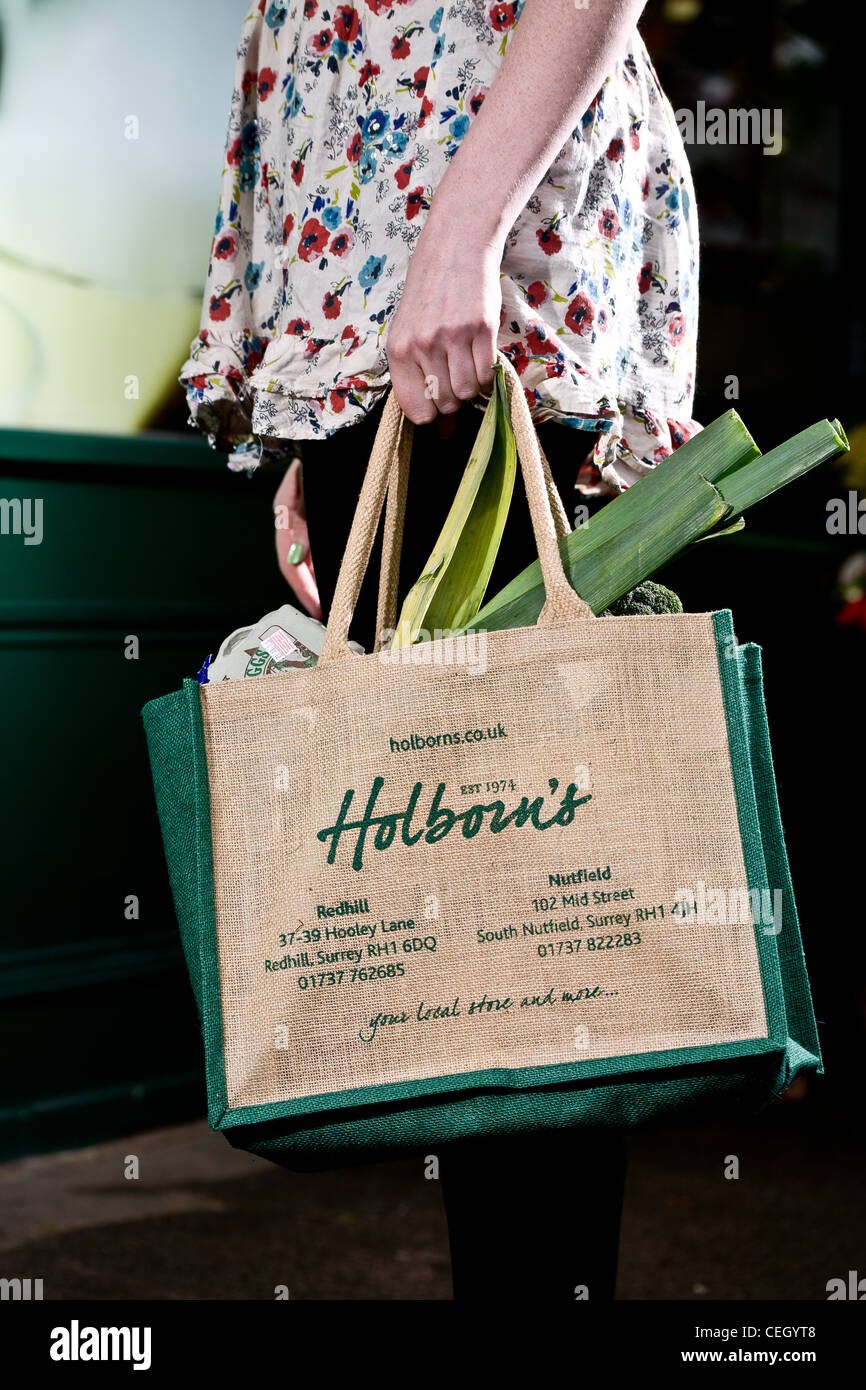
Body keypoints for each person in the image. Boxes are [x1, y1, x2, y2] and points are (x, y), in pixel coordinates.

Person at [180, 0, 699, 1301]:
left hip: (470, 264)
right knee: (487, 912)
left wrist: (455, 242)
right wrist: (318, 413)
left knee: (525, 920)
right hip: (393, 294)